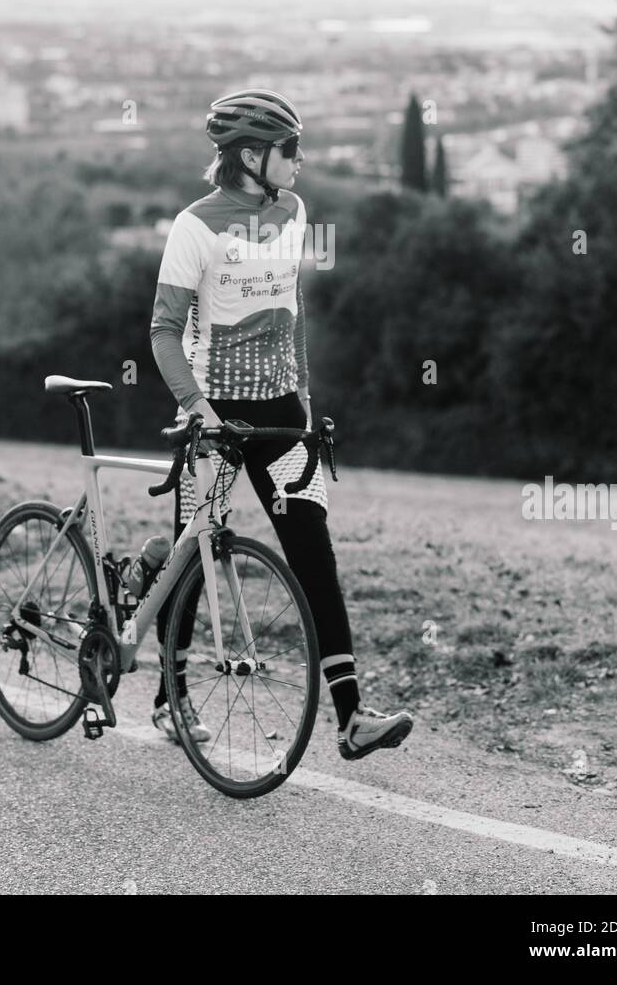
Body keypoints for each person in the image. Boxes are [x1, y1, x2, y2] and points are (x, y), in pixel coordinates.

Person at [149, 88, 413, 761]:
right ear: (248, 156)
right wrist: (198, 411)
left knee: (313, 549)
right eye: (287, 149)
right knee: (192, 553)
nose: (298, 161)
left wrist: (303, 400)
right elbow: (162, 334)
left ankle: (352, 717)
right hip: (213, 410)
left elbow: (292, 309)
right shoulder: (194, 227)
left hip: (280, 412)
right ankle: (169, 692)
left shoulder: (292, 211)